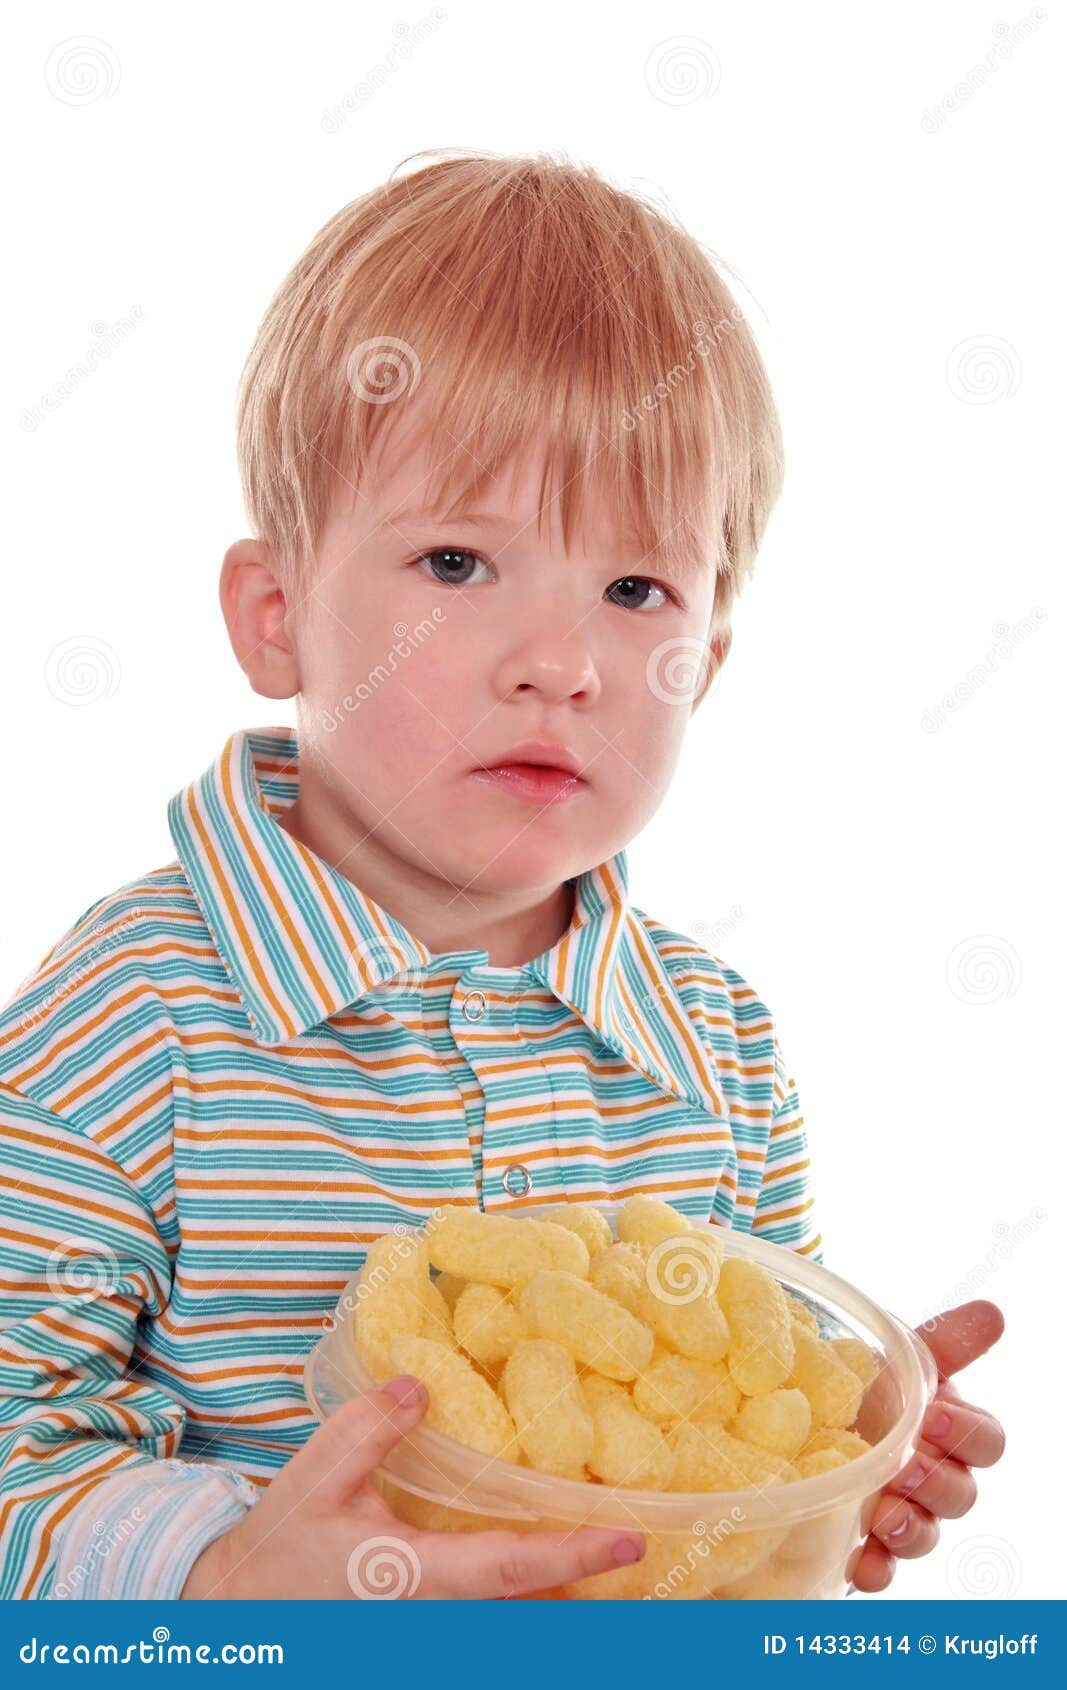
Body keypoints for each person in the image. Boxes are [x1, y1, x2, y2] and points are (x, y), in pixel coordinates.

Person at [0, 149, 1004, 1601]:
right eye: (460, 562)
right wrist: (214, 1576)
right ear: (277, 616)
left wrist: (849, 1461)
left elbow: (733, 1471)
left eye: (637, 590)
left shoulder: (718, 1048)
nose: (562, 662)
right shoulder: (131, 1020)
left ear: (704, 658)